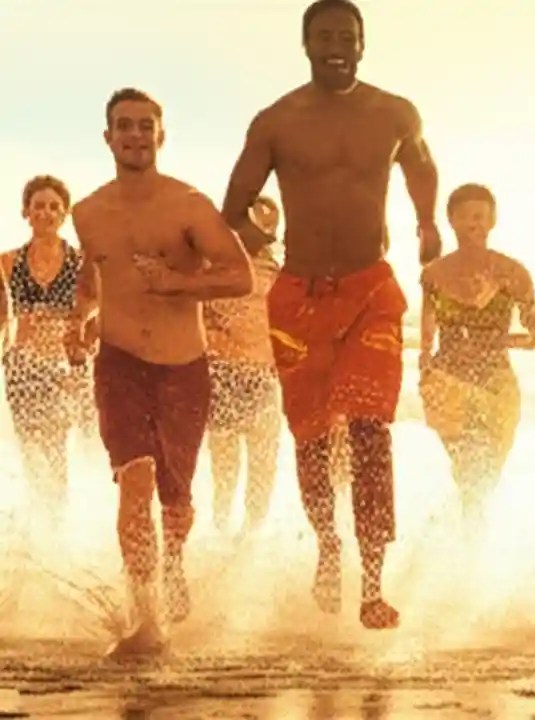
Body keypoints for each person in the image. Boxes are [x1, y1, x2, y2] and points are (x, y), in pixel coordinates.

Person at [220, 0, 440, 630]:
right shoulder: (276, 121)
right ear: (306, 45)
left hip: (371, 290)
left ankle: (372, 581)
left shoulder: (395, 112)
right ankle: (327, 545)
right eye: (324, 37)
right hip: (298, 296)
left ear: (362, 45)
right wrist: (262, 239)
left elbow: (421, 166)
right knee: (313, 437)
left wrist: (427, 224)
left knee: (371, 429)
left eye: (347, 36)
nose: (336, 46)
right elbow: (232, 209)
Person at [65, 87, 254, 658]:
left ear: (161, 136)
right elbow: (94, 278)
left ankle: (172, 563)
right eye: (124, 126)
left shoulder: (189, 205)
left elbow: (240, 275)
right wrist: (81, 319)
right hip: (119, 361)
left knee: (176, 501)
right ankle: (144, 617)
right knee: (135, 479)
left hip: (182, 366)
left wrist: (177, 283)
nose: (135, 135)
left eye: (146, 126)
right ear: (108, 138)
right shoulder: (87, 212)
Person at [418, 184, 535, 524]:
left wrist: (506, 340)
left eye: (480, 216)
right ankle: (466, 536)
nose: (473, 223)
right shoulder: (434, 274)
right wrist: (425, 364)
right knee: (468, 466)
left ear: (492, 221)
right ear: (451, 221)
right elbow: (427, 332)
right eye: (464, 216)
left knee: (487, 473)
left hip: (496, 382)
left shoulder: (512, 272)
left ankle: (456, 532)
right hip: (449, 379)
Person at [0, 175, 90, 522]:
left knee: (56, 445)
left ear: (65, 213)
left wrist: (84, 353)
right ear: (26, 212)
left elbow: (95, 311)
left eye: (54, 207)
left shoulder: (80, 262)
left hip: (62, 366)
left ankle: (58, 521)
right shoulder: (8, 262)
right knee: (29, 447)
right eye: (38, 206)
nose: (46, 213)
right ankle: (37, 519)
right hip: (21, 366)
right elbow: (3, 318)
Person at [204, 195, 283, 535]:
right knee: (225, 467)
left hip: (263, 372)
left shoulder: (275, 271)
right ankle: (220, 530)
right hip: (223, 372)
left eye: (268, 229)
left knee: (263, 463)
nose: (261, 235)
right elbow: (198, 317)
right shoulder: (213, 267)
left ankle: (250, 537)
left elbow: (286, 324)